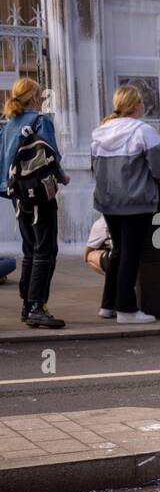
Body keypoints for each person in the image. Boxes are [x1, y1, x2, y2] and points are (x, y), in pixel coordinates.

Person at [89, 84, 160, 326]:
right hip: (136, 202)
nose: (144, 105)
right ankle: (126, 309)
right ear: (135, 105)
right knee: (130, 255)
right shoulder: (144, 131)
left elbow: (95, 168)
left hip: (108, 202)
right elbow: (159, 168)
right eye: (142, 102)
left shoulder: (100, 131)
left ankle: (108, 304)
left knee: (118, 251)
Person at [2, 77, 69, 328]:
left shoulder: (8, 125)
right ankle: (36, 306)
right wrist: (62, 177)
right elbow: (51, 155)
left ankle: (26, 304)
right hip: (40, 192)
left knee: (30, 249)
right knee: (46, 249)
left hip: (16, 193)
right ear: (32, 98)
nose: (41, 100)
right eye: (39, 96)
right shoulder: (41, 122)